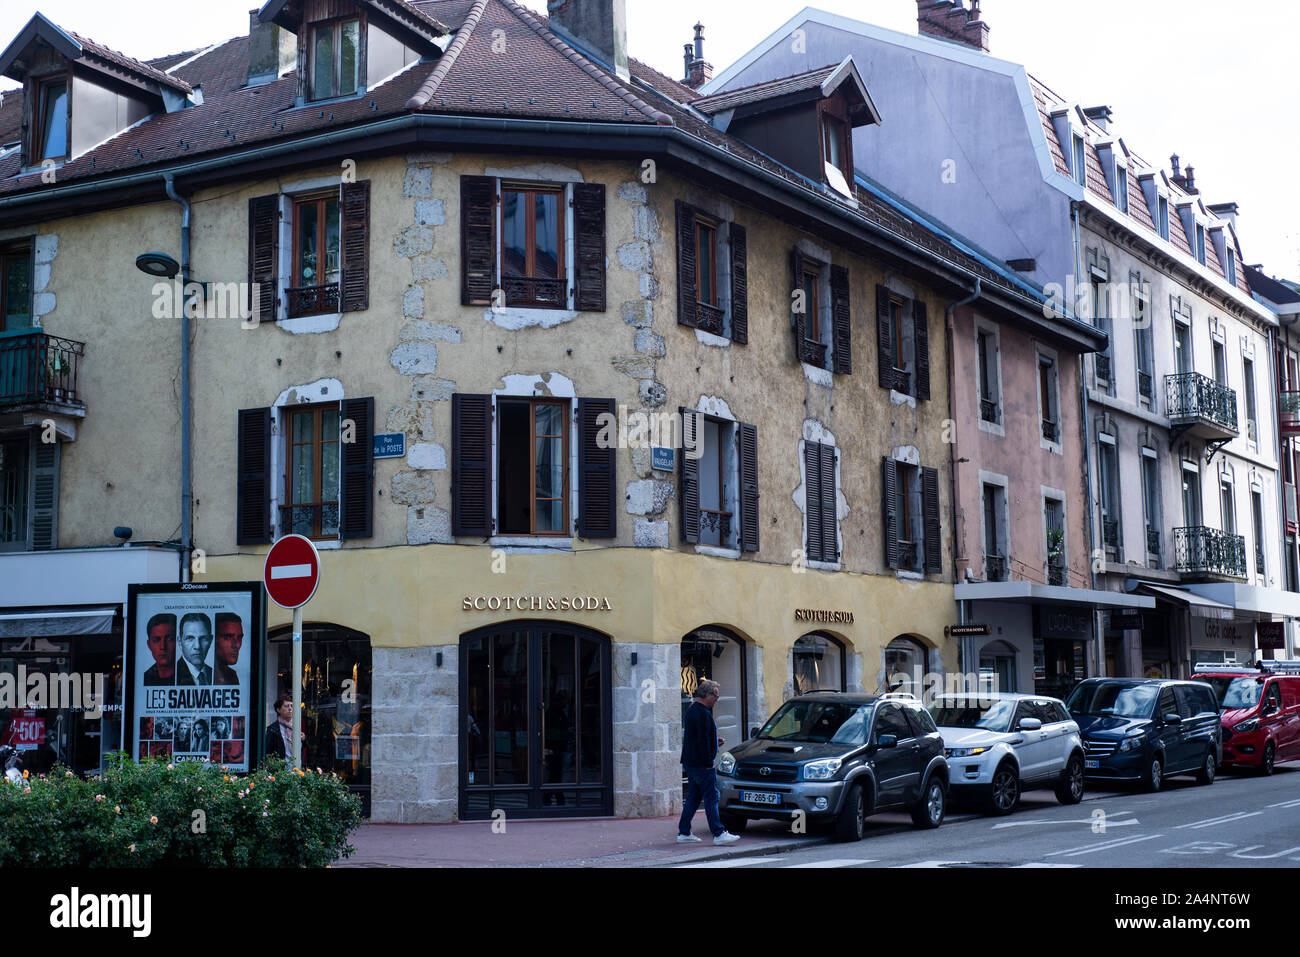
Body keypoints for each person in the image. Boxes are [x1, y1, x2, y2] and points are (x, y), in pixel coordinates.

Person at [677, 679, 740, 846]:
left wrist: (714, 741)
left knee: (693, 797)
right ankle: (718, 833)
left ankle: (684, 832)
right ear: (707, 694)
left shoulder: (692, 710)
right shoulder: (703, 713)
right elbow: (702, 741)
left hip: (691, 762)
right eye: (716, 696)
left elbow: (698, 738)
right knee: (712, 797)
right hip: (702, 764)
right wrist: (709, 761)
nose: (716, 700)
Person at [264, 693, 306, 764]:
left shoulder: (298, 725)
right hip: (281, 771)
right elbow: (268, 753)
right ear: (278, 710)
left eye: (292, 706)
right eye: (286, 706)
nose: (290, 709)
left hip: (297, 769)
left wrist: (304, 740)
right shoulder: (272, 729)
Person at [176, 613, 214, 685]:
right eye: (190, 638)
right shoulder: (171, 676)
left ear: (211, 640)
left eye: (203, 638)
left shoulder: (216, 674)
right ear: (180, 642)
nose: (197, 646)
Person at [142, 613, 177, 686]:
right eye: (156, 640)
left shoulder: (191, 677)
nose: (163, 647)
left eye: (170, 639)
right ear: (149, 645)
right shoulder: (145, 679)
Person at [213, 613, 243, 686]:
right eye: (228, 637)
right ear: (212, 639)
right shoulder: (198, 675)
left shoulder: (231, 675)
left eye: (239, 638)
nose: (237, 645)